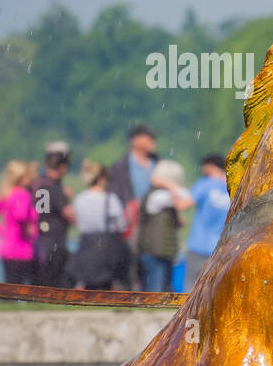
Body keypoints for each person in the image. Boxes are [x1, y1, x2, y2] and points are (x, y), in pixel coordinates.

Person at [109, 124, 158, 289]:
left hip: (153, 221)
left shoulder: (157, 163)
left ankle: (149, 295)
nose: (153, 142)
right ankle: (126, 295)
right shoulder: (120, 166)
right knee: (129, 259)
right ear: (135, 141)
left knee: (151, 260)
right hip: (130, 221)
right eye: (149, 138)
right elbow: (114, 193)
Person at [71, 161, 130, 290]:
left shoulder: (79, 199)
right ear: (103, 179)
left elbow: (77, 220)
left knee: (86, 282)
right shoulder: (110, 199)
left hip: (85, 244)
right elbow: (121, 225)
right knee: (110, 282)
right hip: (106, 246)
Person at [137, 159, 193, 293]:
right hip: (156, 251)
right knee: (156, 292)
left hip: (160, 250)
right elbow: (186, 195)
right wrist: (168, 183)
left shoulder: (158, 195)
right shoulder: (158, 195)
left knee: (160, 290)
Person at [29, 141, 76, 288]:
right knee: (54, 282)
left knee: (40, 281)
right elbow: (70, 215)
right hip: (54, 240)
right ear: (62, 166)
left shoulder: (36, 184)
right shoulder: (55, 189)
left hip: (38, 239)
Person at [185, 154, 230, 287]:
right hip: (221, 247)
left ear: (210, 167)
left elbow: (183, 204)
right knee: (213, 288)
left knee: (191, 290)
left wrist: (170, 188)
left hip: (198, 245)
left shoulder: (205, 184)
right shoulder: (232, 187)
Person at [0, 160, 39, 284]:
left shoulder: (6, 194)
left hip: (7, 247)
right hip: (22, 248)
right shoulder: (22, 194)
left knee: (9, 287)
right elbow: (21, 215)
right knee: (23, 288)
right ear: (20, 178)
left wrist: (0, 230)